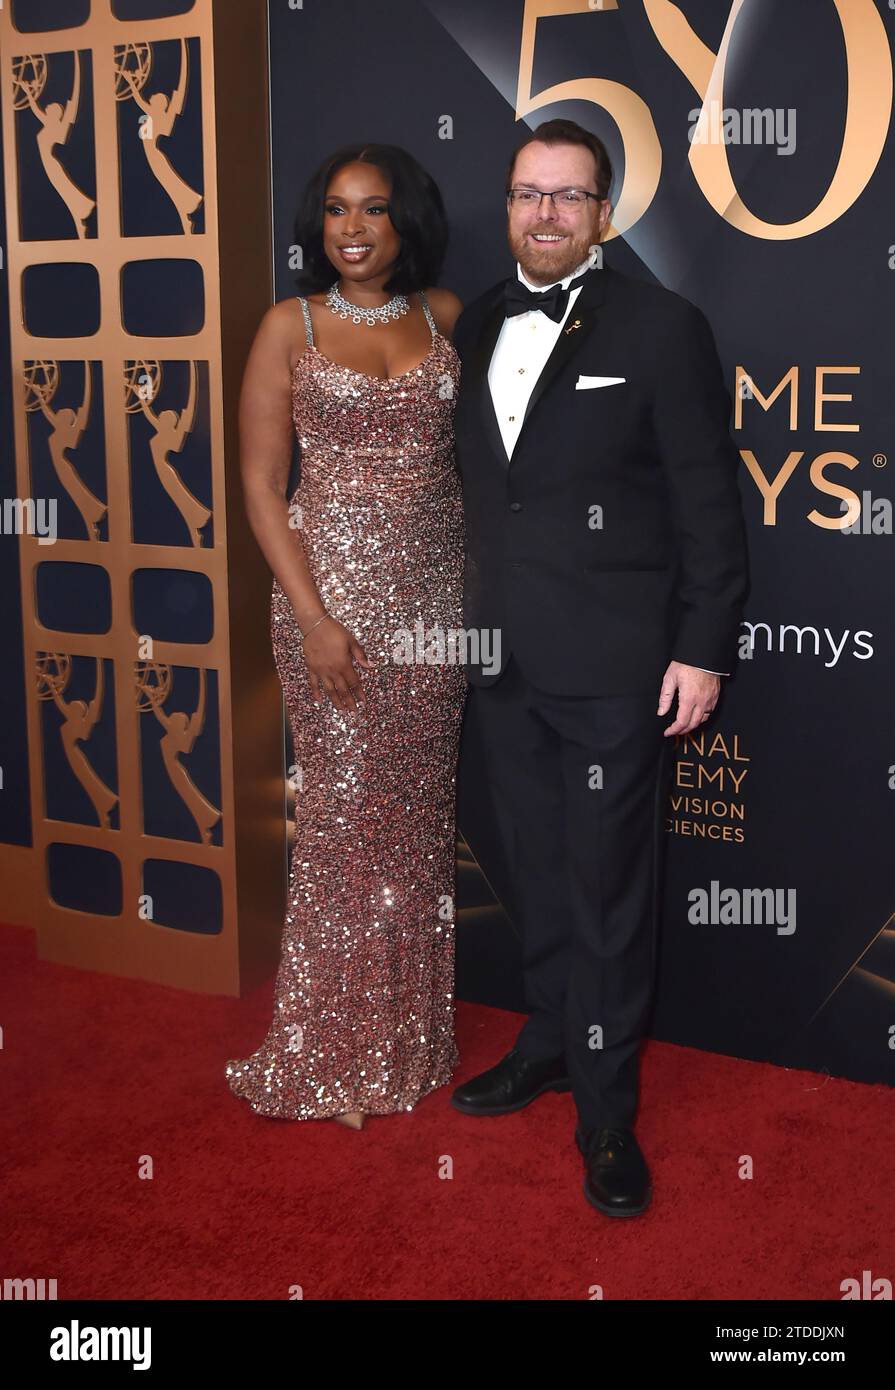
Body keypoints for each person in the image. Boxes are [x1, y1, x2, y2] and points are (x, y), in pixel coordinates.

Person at [450, 119, 749, 1215]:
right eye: (528, 193)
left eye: (568, 197)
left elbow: (708, 508)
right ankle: (545, 1039)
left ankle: (607, 1111)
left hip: (616, 663)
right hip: (501, 658)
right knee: (533, 870)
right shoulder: (478, 321)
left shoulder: (664, 328)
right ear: (510, 199)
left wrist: (701, 647)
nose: (544, 214)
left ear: (602, 211)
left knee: (610, 892)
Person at [226, 144, 465, 1131]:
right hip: (330, 606)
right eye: (334, 211)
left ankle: (411, 1033)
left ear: (405, 221)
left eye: (371, 211)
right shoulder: (291, 324)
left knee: (412, 823)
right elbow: (258, 484)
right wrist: (316, 619)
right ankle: (329, 1046)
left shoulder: (445, 316)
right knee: (342, 826)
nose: (351, 230)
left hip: (436, 610)